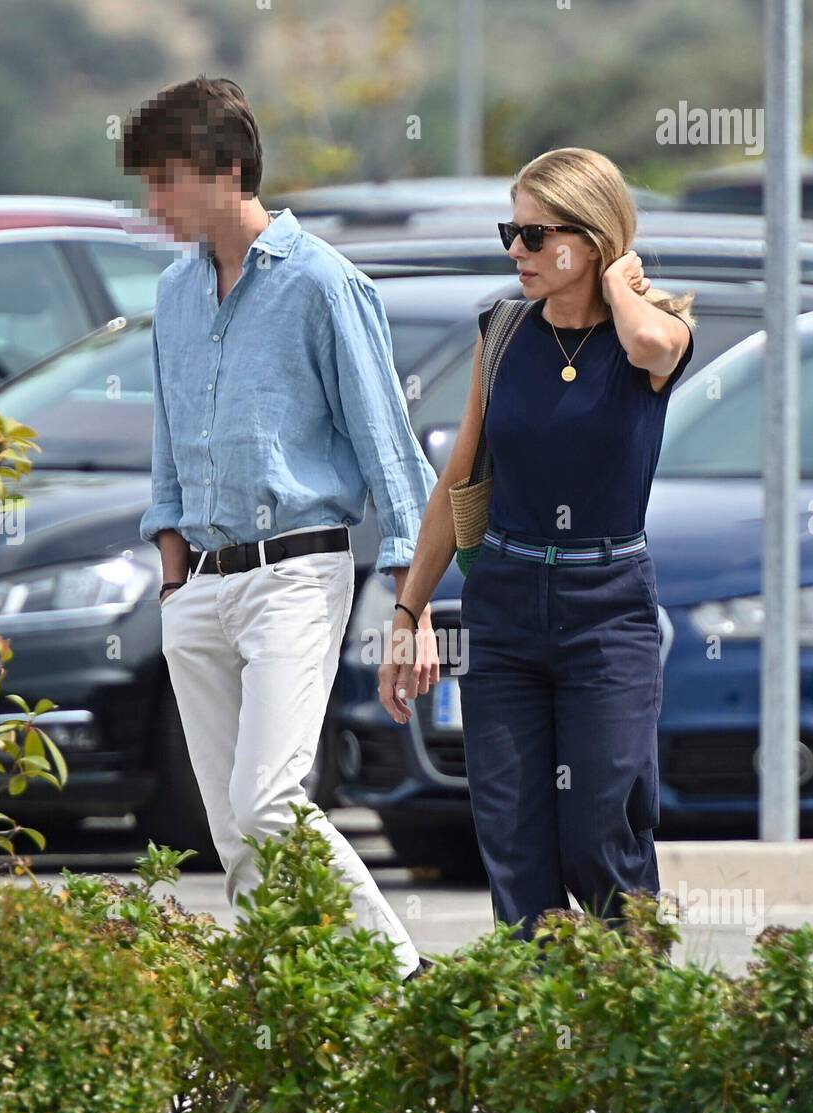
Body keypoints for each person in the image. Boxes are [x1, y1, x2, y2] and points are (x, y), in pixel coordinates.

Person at [120, 75, 439, 980]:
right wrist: (175, 577)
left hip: (298, 573)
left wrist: (412, 610)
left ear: (225, 169)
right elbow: (168, 450)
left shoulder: (325, 286)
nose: (154, 204)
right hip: (201, 589)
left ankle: (403, 975)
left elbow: (390, 451)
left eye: (165, 180)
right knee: (232, 827)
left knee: (268, 803)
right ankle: (287, 1006)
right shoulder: (177, 294)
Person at [379, 147, 695, 939]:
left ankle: (627, 1020)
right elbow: (460, 482)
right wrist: (408, 609)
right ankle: (536, 1036)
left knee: (601, 829)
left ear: (588, 239)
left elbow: (653, 350)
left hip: (608, 609)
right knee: (515, 845)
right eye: (508, 232)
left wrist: (619, 285)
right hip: (508, 604)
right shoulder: (505, 329)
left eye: (533, 234)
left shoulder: (654, 338)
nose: (514, 251)